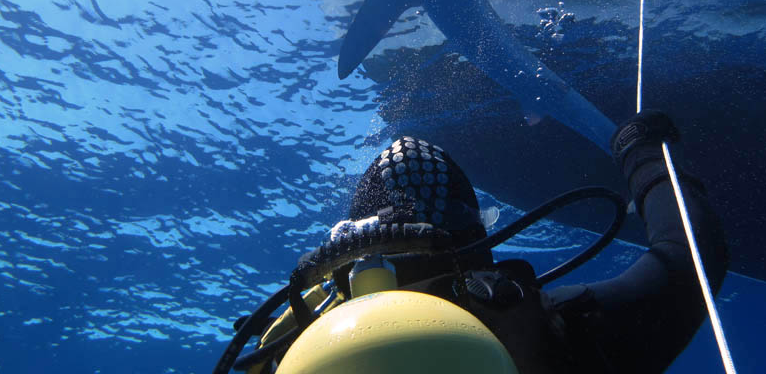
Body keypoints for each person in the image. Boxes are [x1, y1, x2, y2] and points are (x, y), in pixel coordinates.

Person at [223, 111, 729, 373]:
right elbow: (690, 259)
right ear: (476, 237)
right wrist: (643, 156)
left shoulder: (282, 352)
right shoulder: (549, 331)